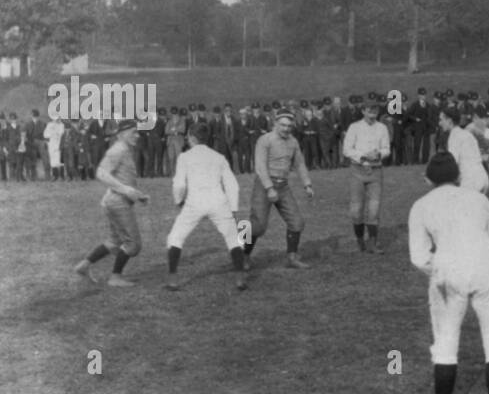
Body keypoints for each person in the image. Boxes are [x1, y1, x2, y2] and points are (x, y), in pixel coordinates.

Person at [408, 152, 489, 394]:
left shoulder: (421, 205)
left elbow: (418, 257)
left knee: (445, 342)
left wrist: (441, 271)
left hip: (448, 272)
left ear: (428, 179)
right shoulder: (478, 199)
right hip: (488, 268)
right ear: (458, 177)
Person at [164, 121, 248, 291]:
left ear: (192, 138)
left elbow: (179, 184)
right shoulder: (218, 157)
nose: (187, 138)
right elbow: (232, 185)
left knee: (175, 237)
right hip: (218, 201)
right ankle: (240, 279)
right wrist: (233, 208)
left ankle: (172, 279)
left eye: (188, 135)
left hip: (195, 202)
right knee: (234, 238)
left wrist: (178, 201)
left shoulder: (185, 157)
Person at [75, 120, 149, 287]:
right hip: (118, 203)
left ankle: (84, 265)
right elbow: (101, 173)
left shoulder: (124, 149)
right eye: (133, 132)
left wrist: (137, 195)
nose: (137, 136)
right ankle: (115, 278)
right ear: (121, 134)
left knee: (115, 241)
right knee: (133, 245)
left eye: (137, 132)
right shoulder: (118, 150)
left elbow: (123, 178)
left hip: (115, 200)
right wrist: (125, 190)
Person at [247, 109, 314, 268]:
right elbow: (260, 166)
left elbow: (299, 164)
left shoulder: (293, 142)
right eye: (283, 125)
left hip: (283, 185)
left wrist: (307, 184)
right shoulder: (265, 140)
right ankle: (241, 255)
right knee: (257, 226)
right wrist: (269, 188)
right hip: (263, 185)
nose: (286, 128)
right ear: (275, 123)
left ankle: (292, 258)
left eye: (289, 126)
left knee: (297, 222)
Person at [342, 96, 391, 253]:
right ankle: (359, 240)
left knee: (374, 209)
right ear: (363, 111)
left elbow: (386, 149)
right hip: (357, 171)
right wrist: (364, 156)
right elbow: (347, 149)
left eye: (375, 110)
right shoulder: (354, 127)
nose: (372, 113)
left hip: (375, 171)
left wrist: (377, 154)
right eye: (369, 110)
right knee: (356, 210)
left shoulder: (382, 128)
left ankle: (373, 243)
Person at [437, 105, 488, 193]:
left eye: (441, 120)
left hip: (470, 181)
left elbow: (452, 164)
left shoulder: (454, 136)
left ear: (449, 121)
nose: (439, 123)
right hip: (483, 177)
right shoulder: (466, 134)